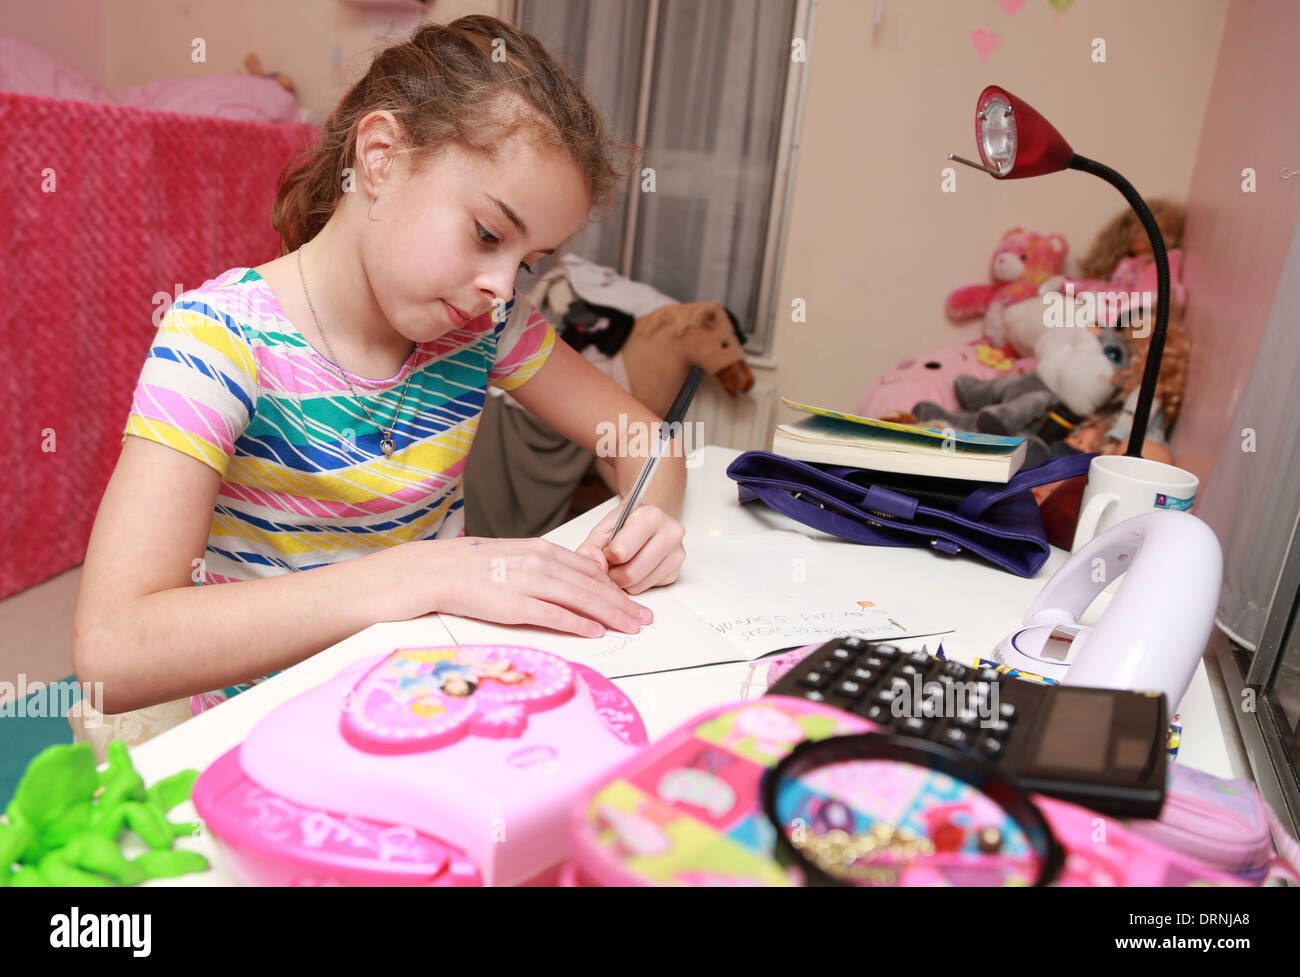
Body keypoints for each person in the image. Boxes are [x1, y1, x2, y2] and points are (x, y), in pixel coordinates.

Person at [72, 16, 687, 721]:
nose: (502, 286)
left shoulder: (487, 328)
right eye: (487, 233)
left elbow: (646, 441)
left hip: (435, 703)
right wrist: (419, 575)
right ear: (381, 156)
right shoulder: (220, 341)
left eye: (527, 262)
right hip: (267, 735)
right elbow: (112, 650)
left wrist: (648, 524)